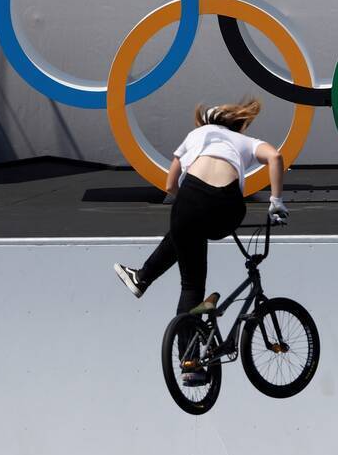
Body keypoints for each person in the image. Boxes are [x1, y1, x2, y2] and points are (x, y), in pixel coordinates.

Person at [114, 97, 289, 383]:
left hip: (190, 200)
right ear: (236, 125)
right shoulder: (243, 141)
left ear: (206, 122)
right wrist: (276, 201)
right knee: (193, 236)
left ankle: (189, 361)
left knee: (190, 281)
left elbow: (170, 185)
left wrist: (193, 201)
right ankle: (146, 278)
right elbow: (276, 157)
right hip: (227, 209)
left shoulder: (195, 135)